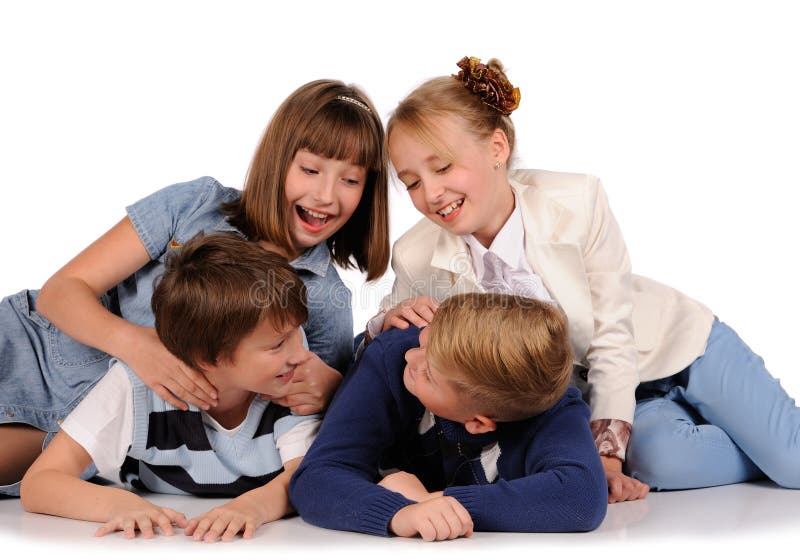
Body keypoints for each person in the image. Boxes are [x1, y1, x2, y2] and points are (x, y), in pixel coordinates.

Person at [372, 56, 800, 502]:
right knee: (660, 463)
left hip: (674, 347)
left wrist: (609, 456)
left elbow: (615, 333)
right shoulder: (416, 253)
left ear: (497, 148)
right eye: (412, 182)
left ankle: (770, 443)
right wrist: (387, 320)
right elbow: (391, 331)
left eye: (441, 168)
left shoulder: (577, 200)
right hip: (608, 394)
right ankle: (749, 442)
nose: (431, 194)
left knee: (792, 463)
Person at [0, 79, 389, 496]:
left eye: (350, 180)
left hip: (87, 431)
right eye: (310, 170)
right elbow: (63, 291)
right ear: (279, 162)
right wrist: (138, 346)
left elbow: (305, 427)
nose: (326, 195)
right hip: (35, 349)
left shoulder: (327, 302)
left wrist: (330, 386)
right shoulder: (195, 206)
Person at [21, 232, 320, 542]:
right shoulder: (136, 385)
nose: (301, 353)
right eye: (278, 344)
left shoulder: (295, 378)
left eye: (297, 331)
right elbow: (40, 482)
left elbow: (307, 475)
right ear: (208, 358)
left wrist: (253, 507)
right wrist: (117, 504)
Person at [290, 293, 608, 540]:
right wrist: (399, 514)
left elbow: (581, 497)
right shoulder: (393, 355)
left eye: (428, 373)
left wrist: (431, 501)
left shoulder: (549, 402)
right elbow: (317, 477)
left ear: (478, 423)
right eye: (424, 339)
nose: (411, 358)